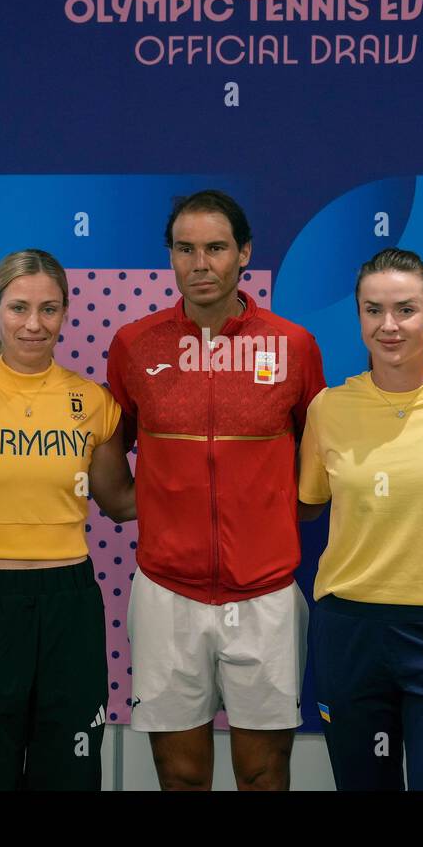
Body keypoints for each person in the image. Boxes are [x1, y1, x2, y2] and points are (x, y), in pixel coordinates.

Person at [107, 189, 326, 790]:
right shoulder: (134, 343)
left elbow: (318, 457)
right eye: (185, 249)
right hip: (166, 591)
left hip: (266, 595)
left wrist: (287, 511)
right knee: (178, 775)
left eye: (215, 248)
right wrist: (134, 501)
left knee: (262, 772)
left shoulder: (293, 346)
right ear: (171, 257)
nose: (199, 263)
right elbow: (111, 439)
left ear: (244, 253)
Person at [0, 249, 135, 790]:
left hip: (69, 606)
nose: (34, 324)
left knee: (69, 776)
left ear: (65, 312)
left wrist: (218, 481)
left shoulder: (92, 402)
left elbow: (121, 502)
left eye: (48, 309)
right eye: (18, 308)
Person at [297, 248, 423, 790]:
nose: (389, 326)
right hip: (350, 633)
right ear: (359, 317)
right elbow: (309, 500)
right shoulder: (327, 409)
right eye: (373, 310)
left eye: (405, 310)